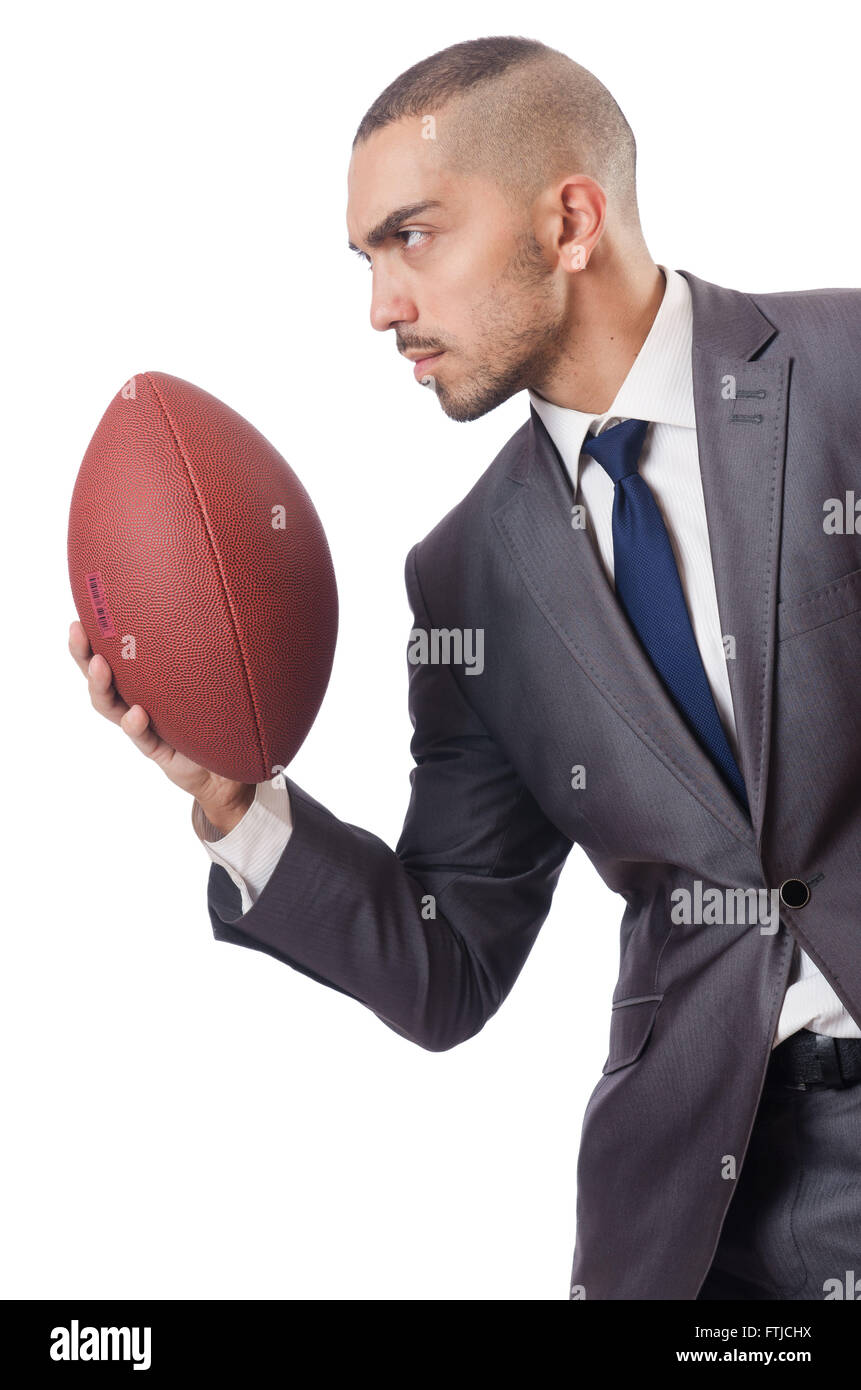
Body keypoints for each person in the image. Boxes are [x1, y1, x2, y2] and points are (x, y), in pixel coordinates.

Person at [69, 35, 861, 1300]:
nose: (381, 306)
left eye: (413, 238)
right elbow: (450, 962)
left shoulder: (842, 372)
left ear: (571, 216)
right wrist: (230, 803)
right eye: (367, 258)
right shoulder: (465, 581)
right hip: (700, 1218)